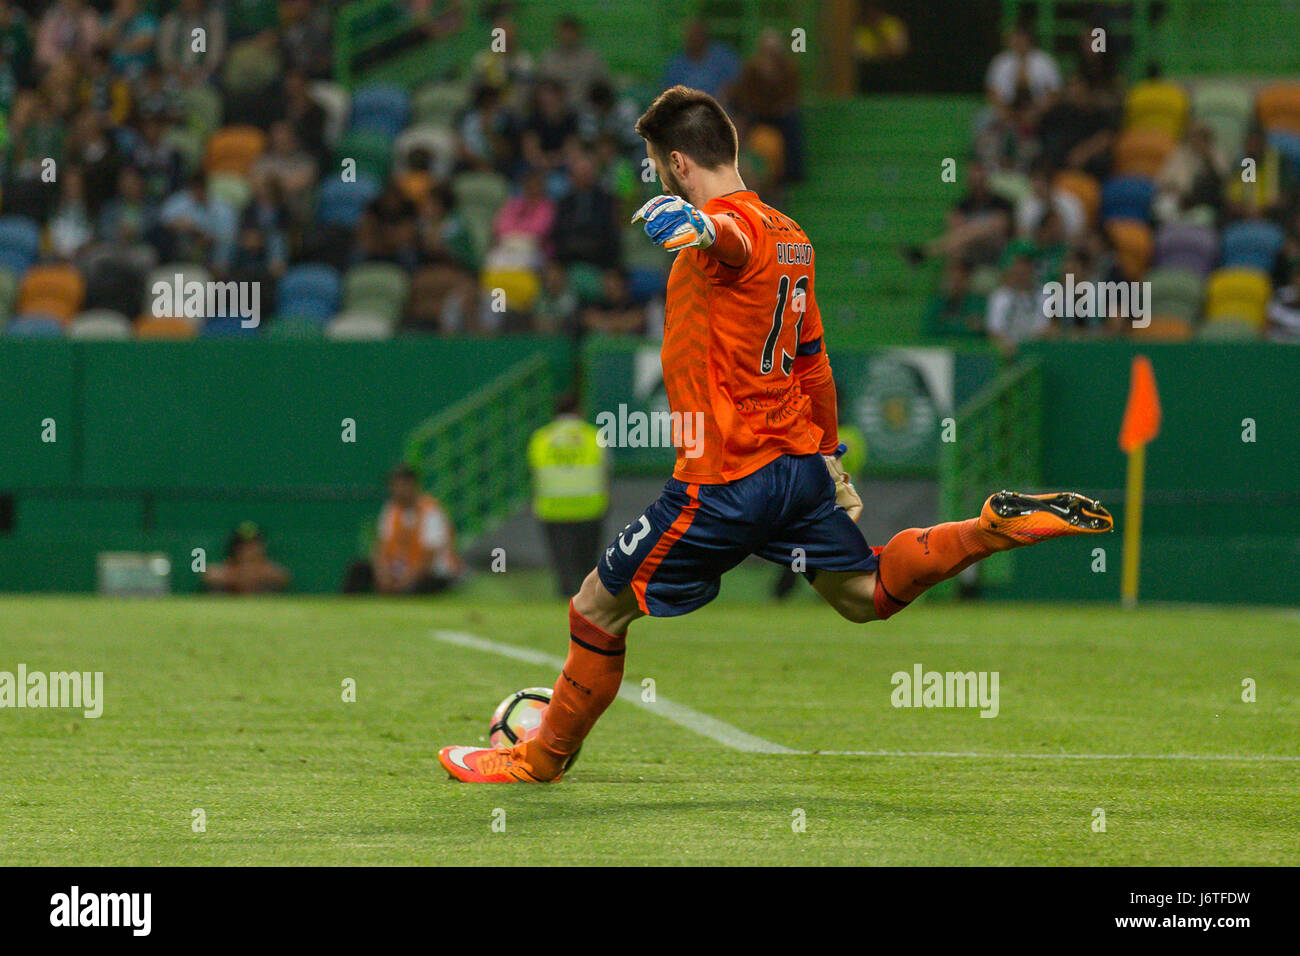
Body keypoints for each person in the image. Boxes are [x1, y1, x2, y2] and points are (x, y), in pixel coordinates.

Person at [439, 85, 1113, 783]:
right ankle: (989, 530)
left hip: (726, 477)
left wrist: (698, 228)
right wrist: (831, 462)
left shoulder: (733, 229)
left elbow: (730, 241)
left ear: (676, 164)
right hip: (794, 462)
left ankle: (536, 760)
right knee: (866, 594)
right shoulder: (793, 235)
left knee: (596, 606)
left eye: (654, 167)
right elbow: (813, 363)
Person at [527, 394, 610, 596]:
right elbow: (605, 471)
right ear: (578, 411)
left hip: (553, 509)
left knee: (563, 563)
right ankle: (588, 601)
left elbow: (534, 473)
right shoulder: (593, 436)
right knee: (588, 563)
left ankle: (565, 599)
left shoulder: (540, 438)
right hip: (589, 507)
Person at [343, 465, 462, 594]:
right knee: (358, 568)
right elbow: (382, 547)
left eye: (402, 485)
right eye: (394, 485)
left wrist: (406, 582)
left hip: (431, 573)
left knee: (418, 587)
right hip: (400, 569)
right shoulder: (391, 509)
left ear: (413, 485)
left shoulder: (431, 511)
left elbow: (428, 557)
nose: (397, 490)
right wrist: (383, 575)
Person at [203, 522, 290, 594]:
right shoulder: (225, 569)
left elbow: (282, 576)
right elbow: (210, 575)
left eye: (253, 545)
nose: (248, 550)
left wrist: (254, 576)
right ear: (234, 548)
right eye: (243, 545)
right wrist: (239, 576)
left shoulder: (270, 571)